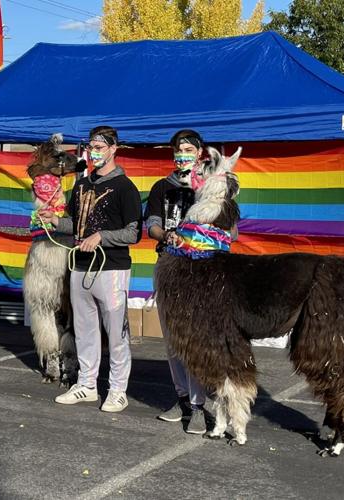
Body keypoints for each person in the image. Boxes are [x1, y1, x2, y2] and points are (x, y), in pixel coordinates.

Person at [39, 125, 143, 413]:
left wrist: (103, 236)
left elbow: (133, 233)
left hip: (111, 269)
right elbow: (76, 226)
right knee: (84, 330)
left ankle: (118, 390)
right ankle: (86, 384)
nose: (93, 152)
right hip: (80, 266)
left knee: (116, 333)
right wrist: (54, 220)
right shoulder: (82, 185)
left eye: (99, 147)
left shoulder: (125, 188)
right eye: (90, 147)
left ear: (113, 149)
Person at [145, 129, 236, 434]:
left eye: (188, 149)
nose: (181, 154)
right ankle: (182, 399)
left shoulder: (217, 185)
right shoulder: (163, 187)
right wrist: (168, 235)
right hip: (169, 268)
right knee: (172, 341)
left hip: (202, 274)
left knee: (195, 340)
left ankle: (200, 405)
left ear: (200, 152)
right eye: (177, 149)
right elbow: (153, 225)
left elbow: (231, 231)